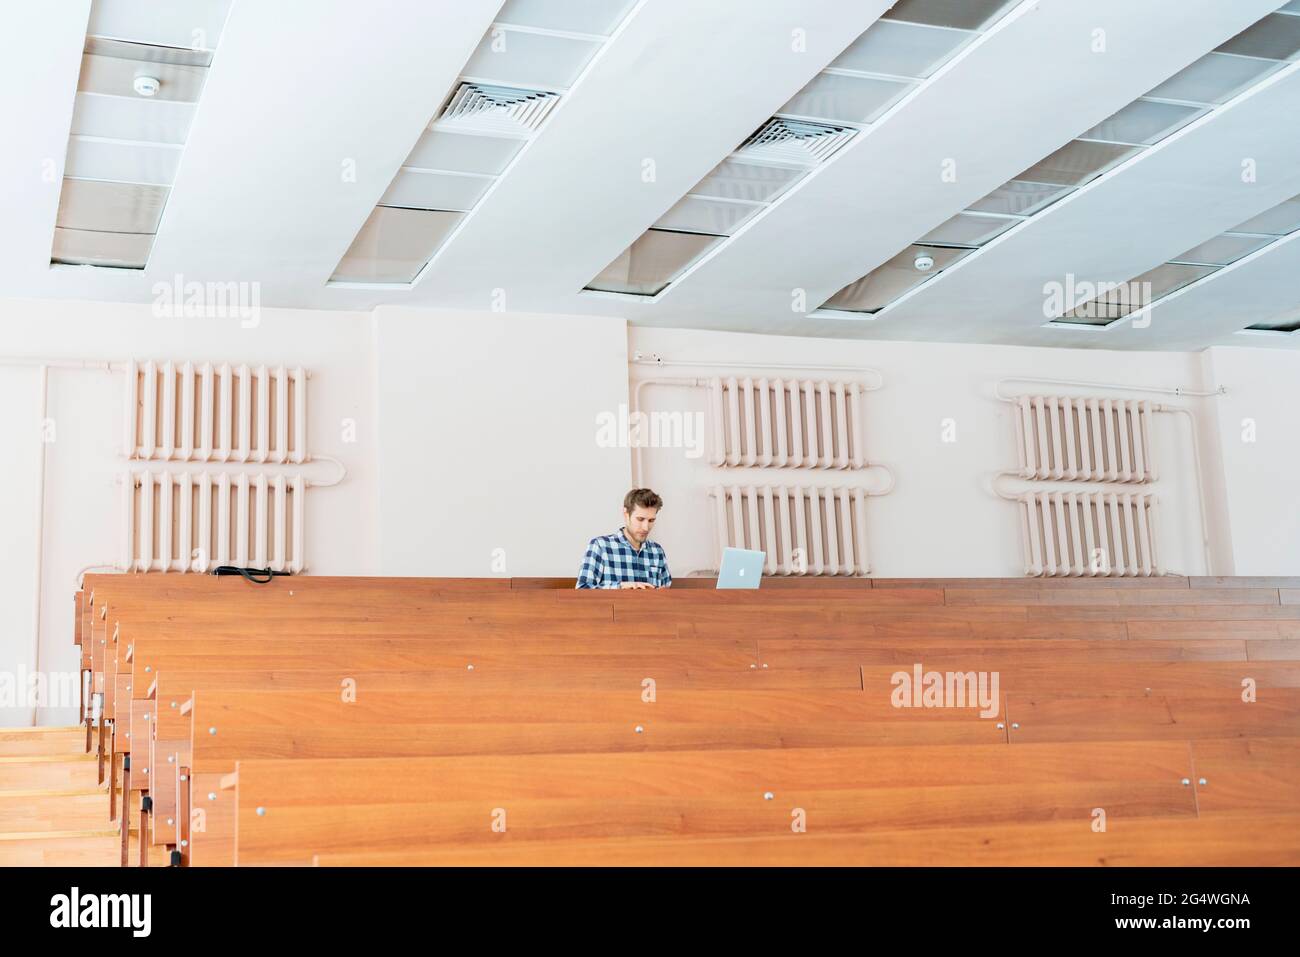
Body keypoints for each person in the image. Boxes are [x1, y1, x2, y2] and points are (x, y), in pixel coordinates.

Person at [576, 488, 672, 589]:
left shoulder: (657, 551)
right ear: (626, 514)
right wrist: (621, 586)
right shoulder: (600, 546)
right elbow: (582, 589)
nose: (646, 527)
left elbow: (667, 590)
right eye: (640, 519)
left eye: (651, 520)